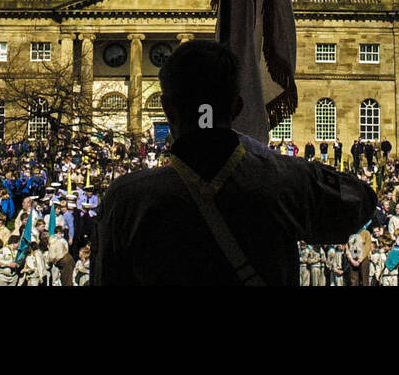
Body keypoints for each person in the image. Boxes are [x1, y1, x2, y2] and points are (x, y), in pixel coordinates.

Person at [93, 40, 375, 285]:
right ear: (238, 108)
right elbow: (360, 201)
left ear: (168, 110)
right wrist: (266, 156)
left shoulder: (126, 199)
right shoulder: (283, 181)